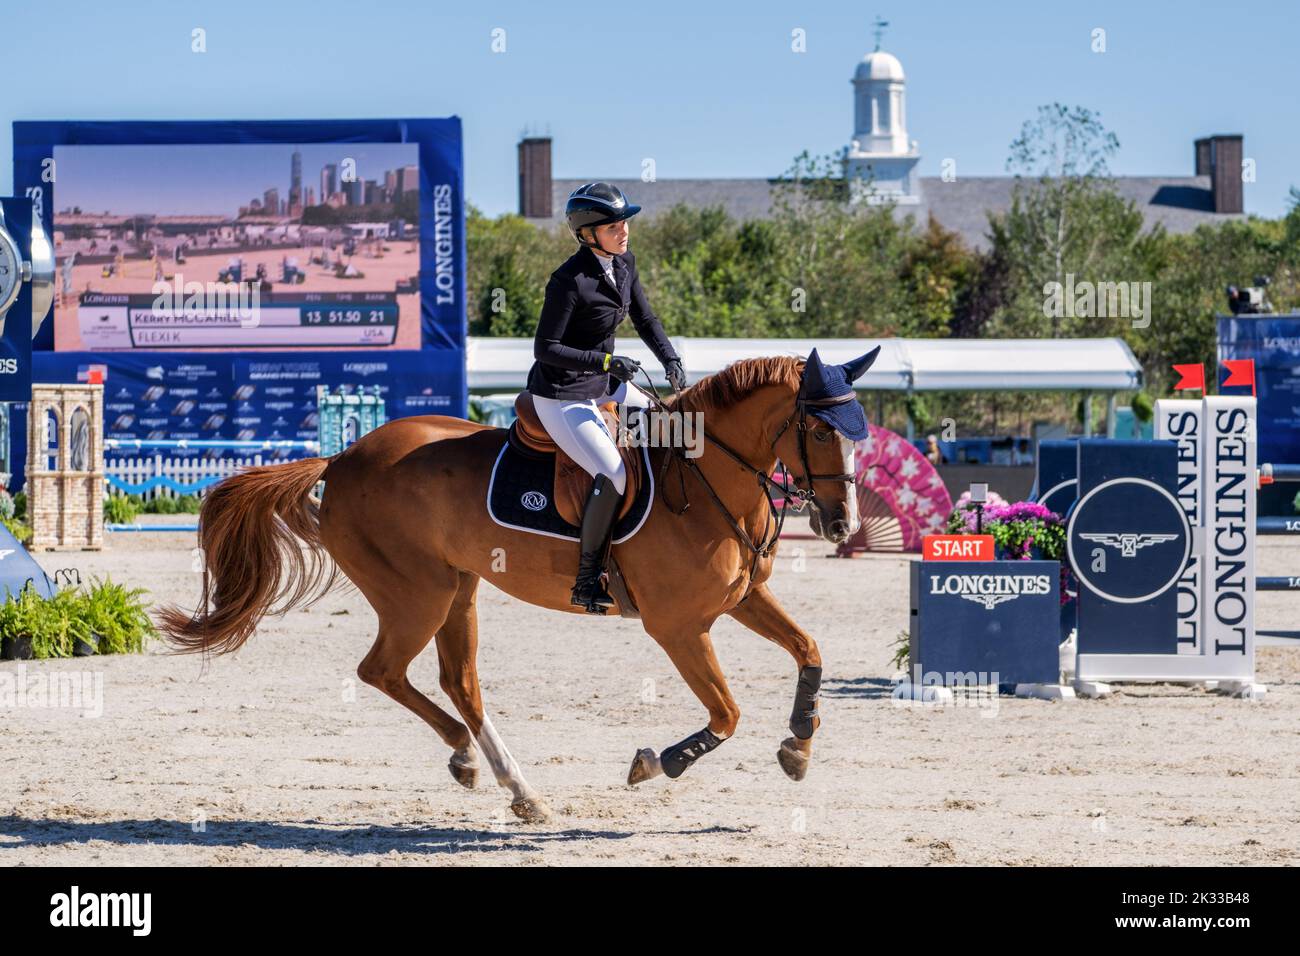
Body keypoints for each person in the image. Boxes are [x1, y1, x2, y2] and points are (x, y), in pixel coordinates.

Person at [526, 182, 687, 613]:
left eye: (625, 223)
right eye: (614, 226)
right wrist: (604, 363)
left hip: (604, 383)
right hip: (562, 395)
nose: (624, 231)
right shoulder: (568, 281)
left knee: (680, 433)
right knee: (614, 472)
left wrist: (670, 358)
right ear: (588, 233)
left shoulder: (625, 263)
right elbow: (546, 348)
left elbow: (645, 317)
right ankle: (586, 579)